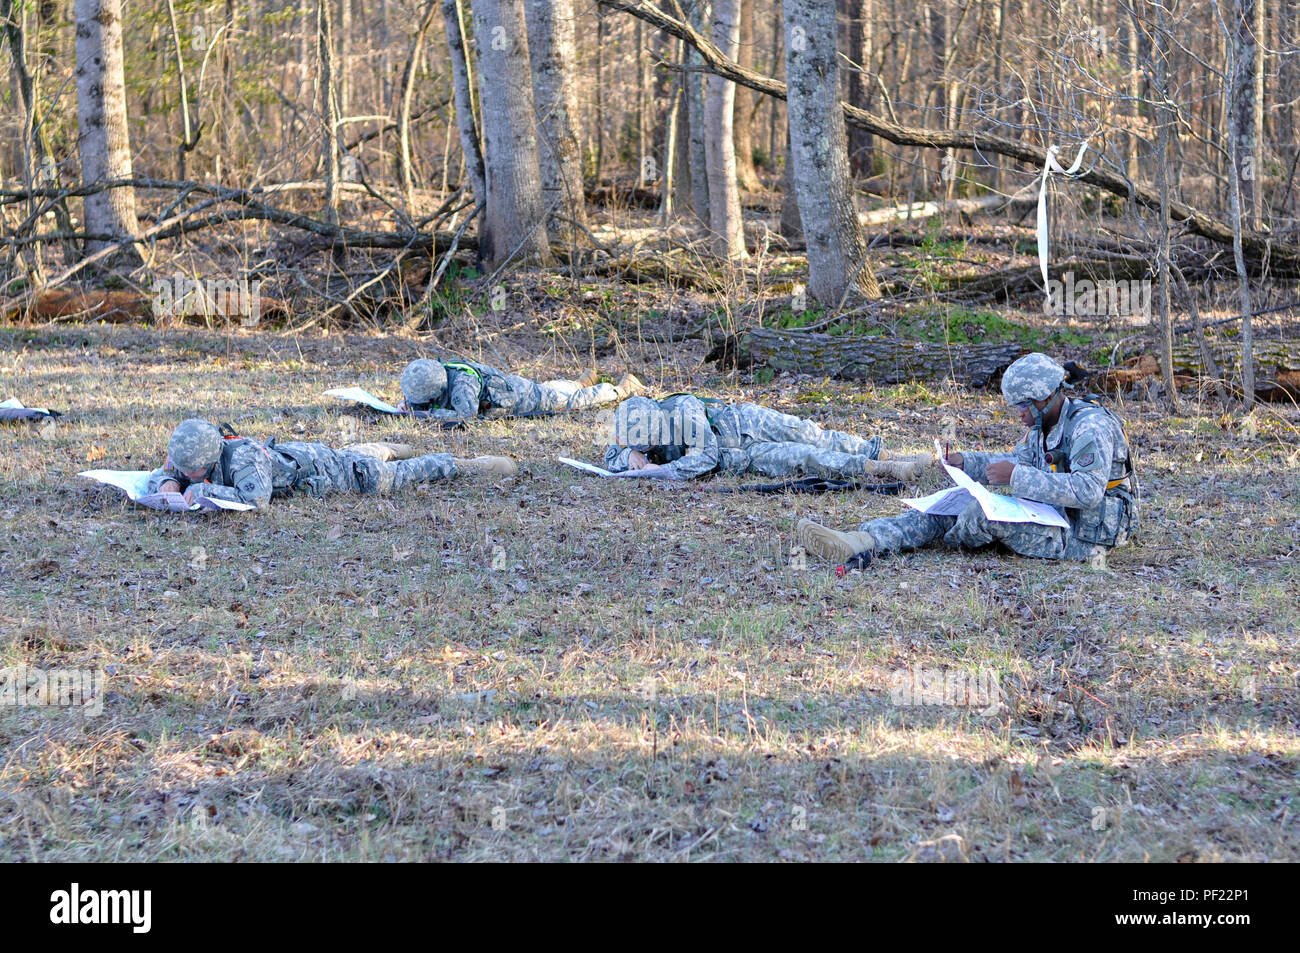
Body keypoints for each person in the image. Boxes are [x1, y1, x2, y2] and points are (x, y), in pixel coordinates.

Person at [797, 352, 1138, 564]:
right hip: (1055, 513)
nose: (1019, 415)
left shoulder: (1089, 427)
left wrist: (1016, 478)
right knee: (946, 504)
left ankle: (949, 540)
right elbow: (1014, 461)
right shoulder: (1043, 421)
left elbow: (1089, 490)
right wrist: (968, 463)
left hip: (1090, 535)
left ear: (1046, 397)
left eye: (1023, 406)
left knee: (980, 514)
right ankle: (860, 541)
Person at [147, 419, 514, 509]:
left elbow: (255, 501)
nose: (185, 473)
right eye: (184, 468)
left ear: (210, 458)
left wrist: (200, 489)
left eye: (191, 470)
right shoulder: (193, 451)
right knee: (355, 455)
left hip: (331, 472)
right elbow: (168, 471)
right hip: (303, 456)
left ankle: (470, 464)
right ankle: (377, 446)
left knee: (388, 478)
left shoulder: (242, 458)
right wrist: (167, 482)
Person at [602, 394, 928, 481]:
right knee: (803, 457)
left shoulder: (684, 411)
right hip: (743, 457)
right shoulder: (632, 427)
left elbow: (705, 456)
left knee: (810, 434)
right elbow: (608, 457)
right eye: (640, 444)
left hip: (748, 424)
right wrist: (628, 456)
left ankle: (880, 453)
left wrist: (661, 471)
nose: (647, 448)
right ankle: (875, 469)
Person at [397, 358, 644, 419]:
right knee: (548, 390)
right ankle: (579, 382)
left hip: (516, 397)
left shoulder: (462, 385)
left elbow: (466, 416)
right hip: (512, 386)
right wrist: (410, 404)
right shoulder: (434, 373)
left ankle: (621, 389)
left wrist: (423, 415)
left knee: (567, 401)